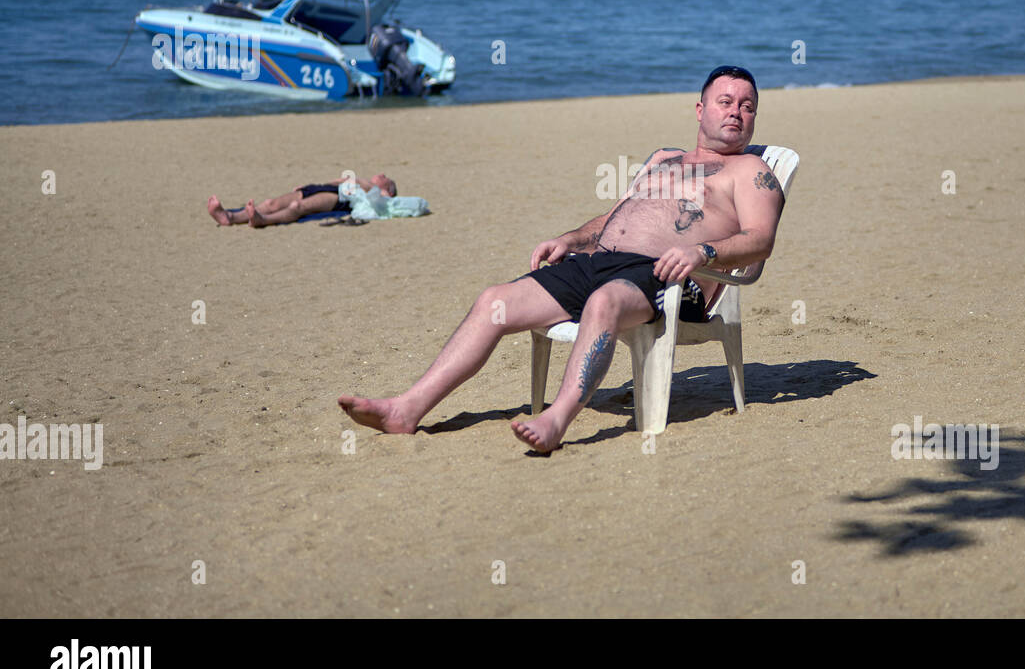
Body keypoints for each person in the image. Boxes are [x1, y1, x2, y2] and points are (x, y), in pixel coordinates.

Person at [338, 66, 786, 453]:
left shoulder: (751, 172)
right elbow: (618, 215)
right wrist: (572, 239)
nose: (736, 111)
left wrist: (701, 251)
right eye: (725, 101)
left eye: (747, 106)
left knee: (603, 305)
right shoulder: (663, 159)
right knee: (495, 300)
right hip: (599, 263)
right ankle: (406, 408)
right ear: (700, 108)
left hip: (669, 278)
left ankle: (558, 418)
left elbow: (760, 240)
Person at [207, 173, 397, 227]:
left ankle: (262, 220)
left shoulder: (378, 192)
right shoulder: (362, 179)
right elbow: (335, 180)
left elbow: (385, 202)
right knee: (271, 203)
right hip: (326, 187)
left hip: (340, 198)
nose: (381, 174)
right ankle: (229, 217)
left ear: (387, 187)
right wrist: (310, 186)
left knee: (298, 207)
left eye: (385, 177)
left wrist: (384, 192)